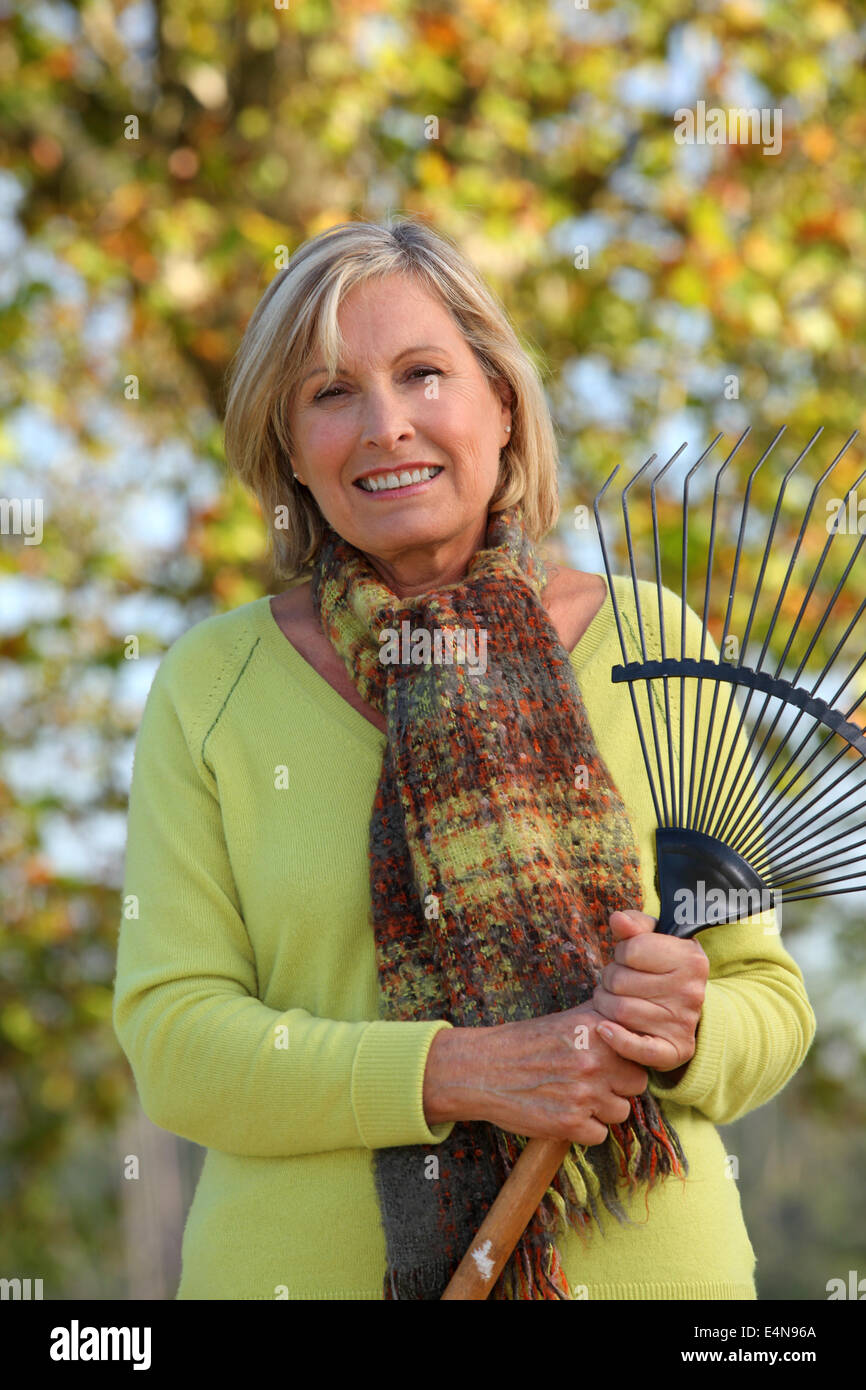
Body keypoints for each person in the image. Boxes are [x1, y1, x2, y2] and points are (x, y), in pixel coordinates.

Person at [112, 216, 816, 1300]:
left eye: (423, 373)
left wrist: (686, 1027)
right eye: (330, 393)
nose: (386, 426)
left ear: (499, 401)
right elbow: (175, 1039)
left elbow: (764, 1003)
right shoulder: (215, 687)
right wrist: (460, 1073)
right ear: (290, 449)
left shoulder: (658, 647)